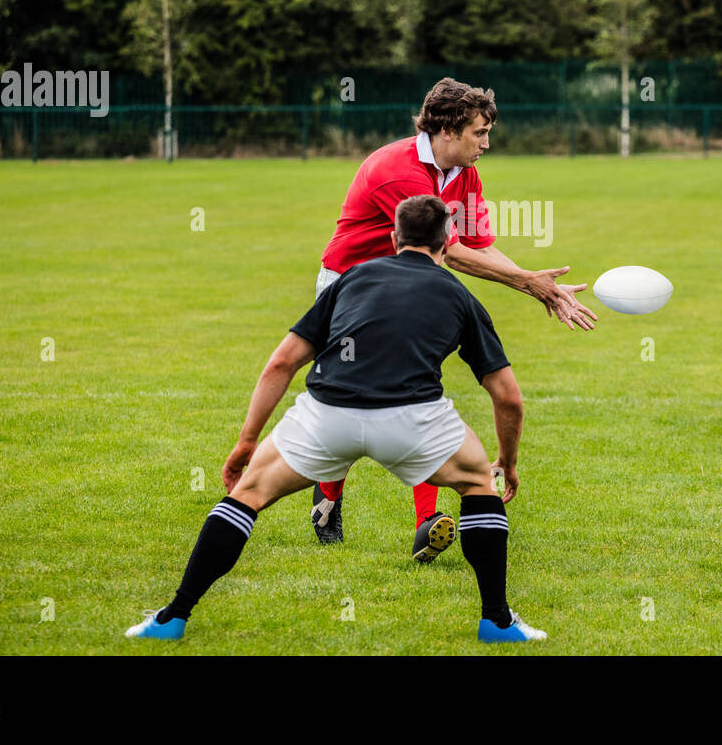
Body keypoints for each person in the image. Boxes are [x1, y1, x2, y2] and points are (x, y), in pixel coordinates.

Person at [126, 195, 546, 643]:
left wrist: (247, 442)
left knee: (247, 495)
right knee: (478, 485)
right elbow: (508, 398)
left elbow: (281, 364)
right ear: (447, 243)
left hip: (327, 415)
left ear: (392, 238)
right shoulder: (459, 294)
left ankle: (172, 617)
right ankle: (497, 623)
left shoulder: (353, 278)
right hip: (412, 421)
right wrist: (508, 461)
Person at [308, 77, 596, 563]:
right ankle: (328, 498)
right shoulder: (394, 170)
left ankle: (426, 523)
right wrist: (529, 282)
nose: (487, 143)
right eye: (480, 133)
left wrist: (535, 283)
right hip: (350, 290)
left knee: (418, 389)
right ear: (447, 129)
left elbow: (477, 243)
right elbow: (452, 251)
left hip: (412, 288)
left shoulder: (462, 171)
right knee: (349, 404)